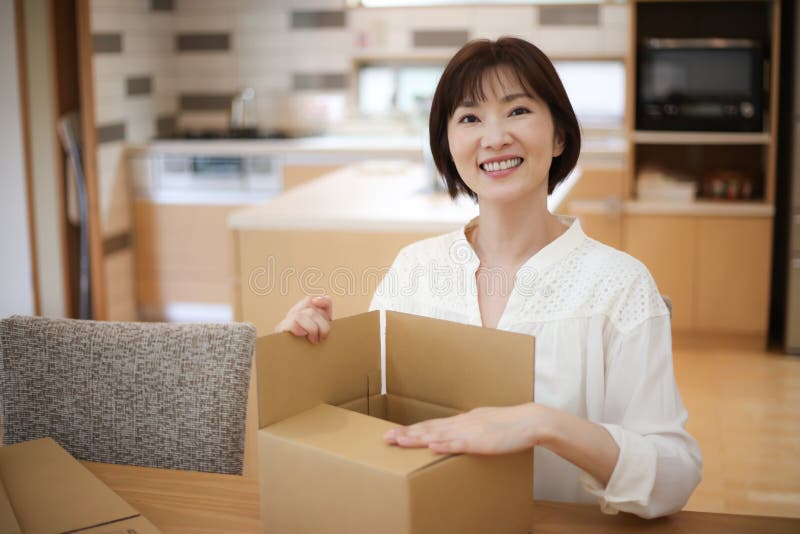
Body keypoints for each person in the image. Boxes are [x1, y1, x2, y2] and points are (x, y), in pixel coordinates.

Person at [275, 37, 702, 519]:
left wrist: (545, 424)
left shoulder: (619, 284)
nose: (494, 137)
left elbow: (674, 476)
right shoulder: (415, 270)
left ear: (559, 136)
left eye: (517, 111)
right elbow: (364, 424)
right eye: (470, 118)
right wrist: (308, 357)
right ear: (448, 145)